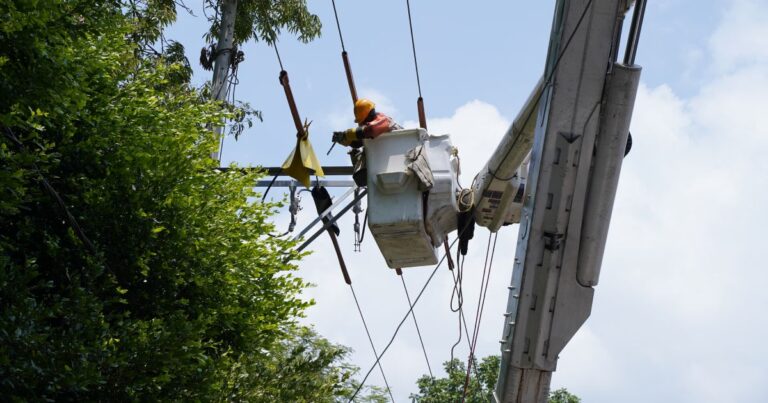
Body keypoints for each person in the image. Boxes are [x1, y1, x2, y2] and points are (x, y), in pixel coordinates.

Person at [332, 99, 402, 185]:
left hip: (399, 158)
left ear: (370, 115)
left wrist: (347, 134)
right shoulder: (369, 132)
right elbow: (358, 143)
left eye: (363, 120)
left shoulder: (384, 120)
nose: (362, 123)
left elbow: (370, 130)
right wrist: (345, 140)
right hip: (384, 162)